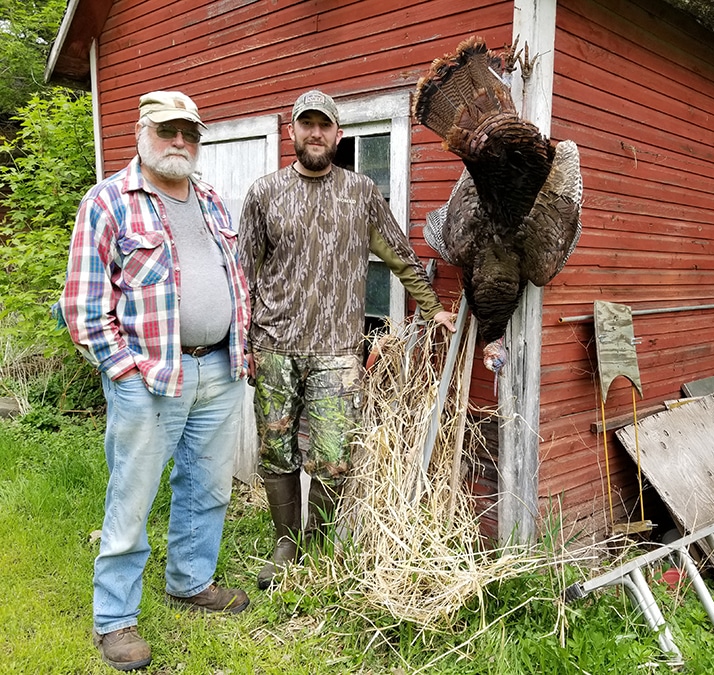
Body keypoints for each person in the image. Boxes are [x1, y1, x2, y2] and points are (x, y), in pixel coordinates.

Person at [56, 91, 252, 672]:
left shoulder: (210, 200)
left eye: (189, 133)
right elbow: (83, 304)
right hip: (149, 378)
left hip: (219, 368)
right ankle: (115, 618)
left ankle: (190, 582)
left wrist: (239, 348)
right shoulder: (108, 201)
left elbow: (232, 280)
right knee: (133, 496)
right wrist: (123, 372)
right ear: (142, 133)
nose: (179, 142)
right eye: (168, 130)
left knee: (208, 488)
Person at [238, 89, 456, 590]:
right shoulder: (264, 193)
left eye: (324, 125)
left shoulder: (361, 193)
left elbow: (399, 254)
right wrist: (243, 343)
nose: (315, 133)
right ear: (292, 131)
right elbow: (242, 273)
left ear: (339, 134)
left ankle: (316, 540)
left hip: (338, 352)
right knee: (276, 450)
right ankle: (285, 543)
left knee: (334, 457)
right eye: (306, 124)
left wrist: (432, 308)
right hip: (274, 347)